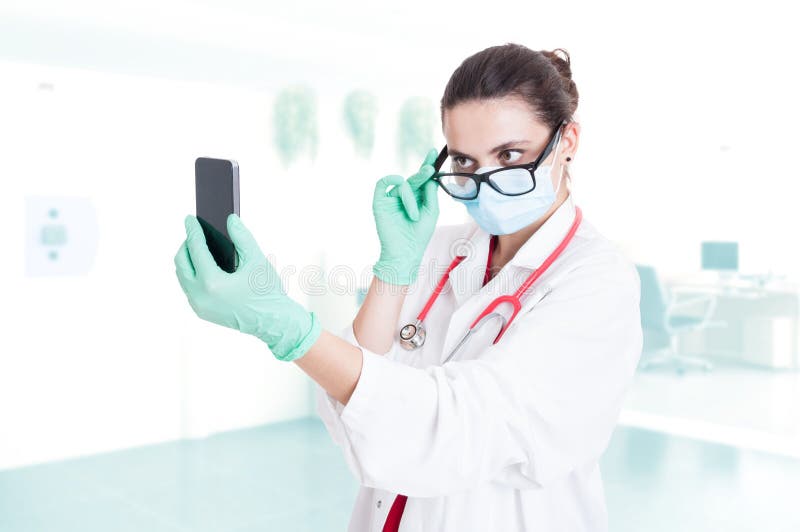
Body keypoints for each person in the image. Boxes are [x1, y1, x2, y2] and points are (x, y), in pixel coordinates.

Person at [174, 43, 643, 532]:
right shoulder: (439, 249)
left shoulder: (597, 284)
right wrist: (395, 269)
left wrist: (289, 329)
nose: (484, 181)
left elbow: (453, 431)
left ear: (567, 139)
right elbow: (347, 411)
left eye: (509, 154)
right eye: (464, 162)